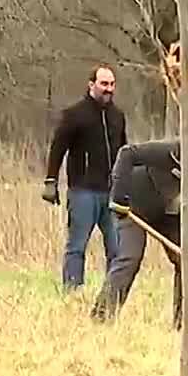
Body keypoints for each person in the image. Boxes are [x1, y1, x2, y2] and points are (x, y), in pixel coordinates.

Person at [91, 124, 188, 327]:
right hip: (134, 207)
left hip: (170, 214)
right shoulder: (176, 152)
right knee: (130, 258)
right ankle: (102, 317)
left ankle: (184, 325)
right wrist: (119, 196)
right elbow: (127, 154)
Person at [42, 65, 128, 291]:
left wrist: (127, 185)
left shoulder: (118, 117)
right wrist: (51, 181)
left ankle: (112, 292)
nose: (108, 89)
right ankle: (73, 291)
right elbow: (58, 148)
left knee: (117, 248)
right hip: (83, 191)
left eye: (111, 84)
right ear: (91, 85)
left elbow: (125, 153)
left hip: (112, 192)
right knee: (77, 246)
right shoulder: (74, 115)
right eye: (104, 84)